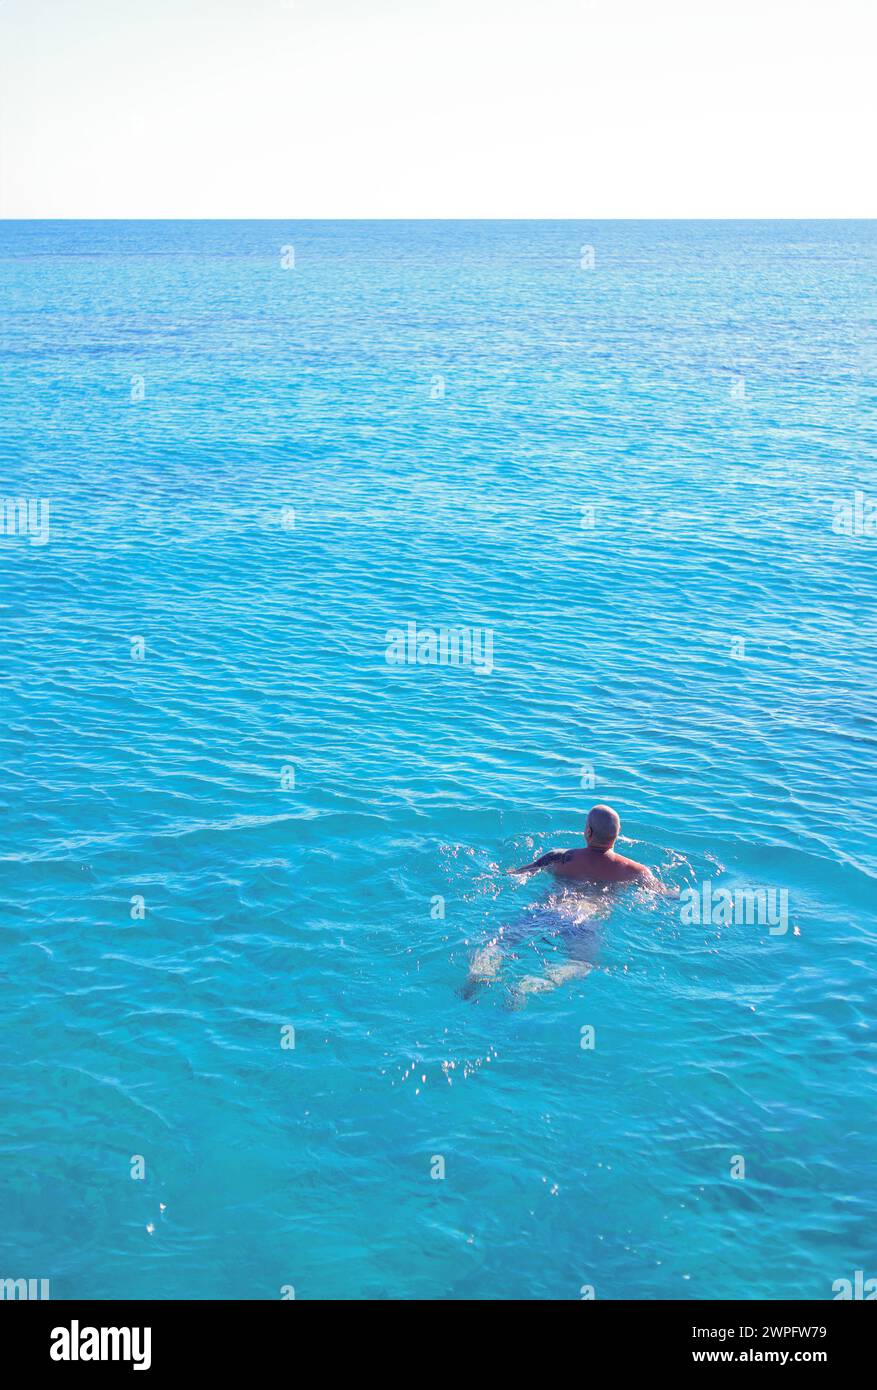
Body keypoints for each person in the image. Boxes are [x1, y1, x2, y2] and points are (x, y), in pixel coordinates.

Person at [509, 804, 670, 892]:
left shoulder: (557, 857)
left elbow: (518, 874)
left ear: (588, 831)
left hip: (553, 907)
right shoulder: (637, 871)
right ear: (618, 833)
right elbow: (664, 894)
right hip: (588, 916)